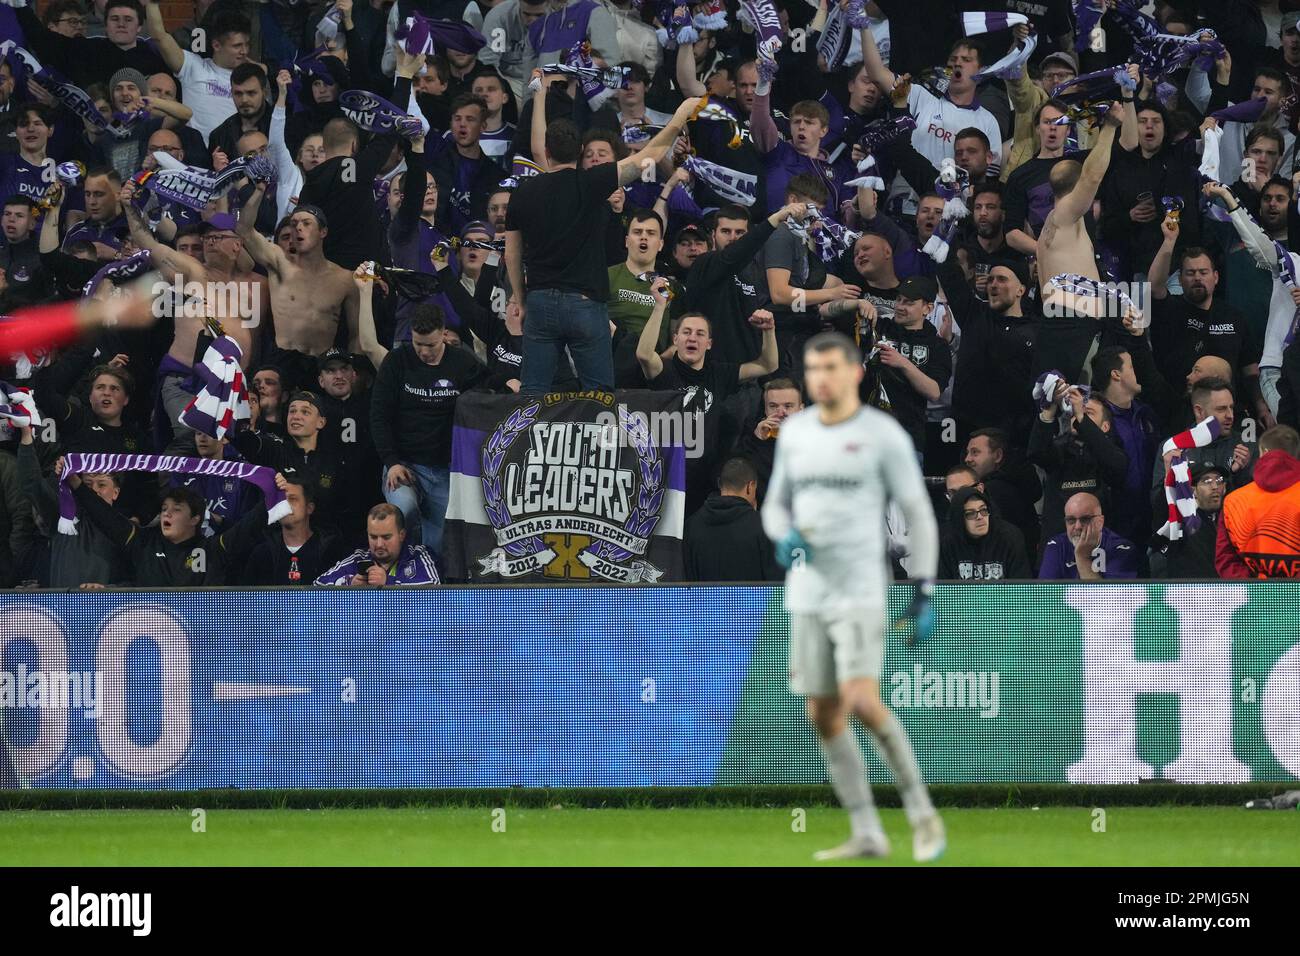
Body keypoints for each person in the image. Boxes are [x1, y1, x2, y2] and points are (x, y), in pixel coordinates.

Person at [761, 331, 944, 863]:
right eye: (813, 370)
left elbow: (918, 511)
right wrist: (783, 533)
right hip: (808, 592)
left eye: (831, 368)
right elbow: (775, 505)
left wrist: (925, 586)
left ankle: (921, 813)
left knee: (862, 701)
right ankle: (867, 830)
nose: (822, 379)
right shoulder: (795, 435)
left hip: (862, 586)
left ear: (854, 374)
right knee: (822, 714)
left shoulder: (882, 434)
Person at [504, 98, 702, 394]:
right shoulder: (592, 181)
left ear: (546, 153)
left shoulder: (522, 192)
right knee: (599, 397)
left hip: (541, 300)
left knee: (533, 394)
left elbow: (511, 254)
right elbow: (650, 156)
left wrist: (520, 300)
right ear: (581, 152)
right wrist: (681, 115)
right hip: (585, 304)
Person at [370, 304, 484, 555]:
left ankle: (431, 584)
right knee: (403, 510)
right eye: (417, 343)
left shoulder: (463, 362)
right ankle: (401, 575)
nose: (423, 351)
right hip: (404, 464)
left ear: (444, 333)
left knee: (441, 539)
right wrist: (391, 462)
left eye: (430, 345)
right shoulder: (397, 361)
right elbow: (379, 416)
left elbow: (488, 389)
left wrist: (508, 381)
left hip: (444, 468)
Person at [1034, 98, 1125, 385]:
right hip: (1076, 326)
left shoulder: (1047, 231)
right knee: (1085, 408)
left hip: (1054, 326)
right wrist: (1110, 127)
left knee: (1060, 410)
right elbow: (1093, 174)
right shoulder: (1066, 215)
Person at [1216, 424, 1300, 577]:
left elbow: (1226, 560)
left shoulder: (1233, 501)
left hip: (1255, 597)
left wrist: (1258, 588)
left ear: (1264, 452)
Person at [682, 457, 781, 582]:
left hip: (704, 601)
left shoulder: (691, 526)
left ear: (720, 484)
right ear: (750, 487)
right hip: (753, 601)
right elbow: (777, 584)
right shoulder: (765, 526)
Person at [315, 503, 441, 586]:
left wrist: (388, 583)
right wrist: (349, 583)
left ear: (402, 535)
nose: (379, 544)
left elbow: (434, 588)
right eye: (373, 537)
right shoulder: (359, 558)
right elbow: (318, 585)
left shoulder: (419, 555)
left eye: (386, 537)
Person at [1038, 492, 1139, 580]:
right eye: (1071, 520)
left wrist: (1082, 558)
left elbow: (1111, 599)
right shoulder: (1057, 545)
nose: (1077, 526)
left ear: (1100, 522)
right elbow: (1045, 596)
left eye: (1085, 519)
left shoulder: (1120, 548)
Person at [1150, 462, 1227, 579]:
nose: (1215, 486)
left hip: (1226, 591)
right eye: (1207, 481)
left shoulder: (1229, 519)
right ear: (1192, 490)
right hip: (1191, 592)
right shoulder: (1181, 523)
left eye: (1219, 480)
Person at [938, 486, 1031, 581]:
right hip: (959, 596)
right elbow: (940, 589)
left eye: (983, 510)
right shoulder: (947, 542)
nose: (980, 517)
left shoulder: (1010, 537)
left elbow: (1021, 587)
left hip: (1003, 596)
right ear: (959, 519)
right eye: (970, 513)